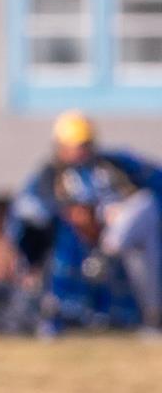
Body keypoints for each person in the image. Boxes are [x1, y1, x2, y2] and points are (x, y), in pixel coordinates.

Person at [9, 110, 162, 332]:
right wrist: (73, 212)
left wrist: (117, 210)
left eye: (84, 145)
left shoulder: (113, 164)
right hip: (80, 239)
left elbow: (154, 183)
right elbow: (29, 212)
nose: (80, 151)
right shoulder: (50, 175)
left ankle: (153, 316)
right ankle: (105, 257)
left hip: (124, 231)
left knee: (146, 208)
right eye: (74, 146)